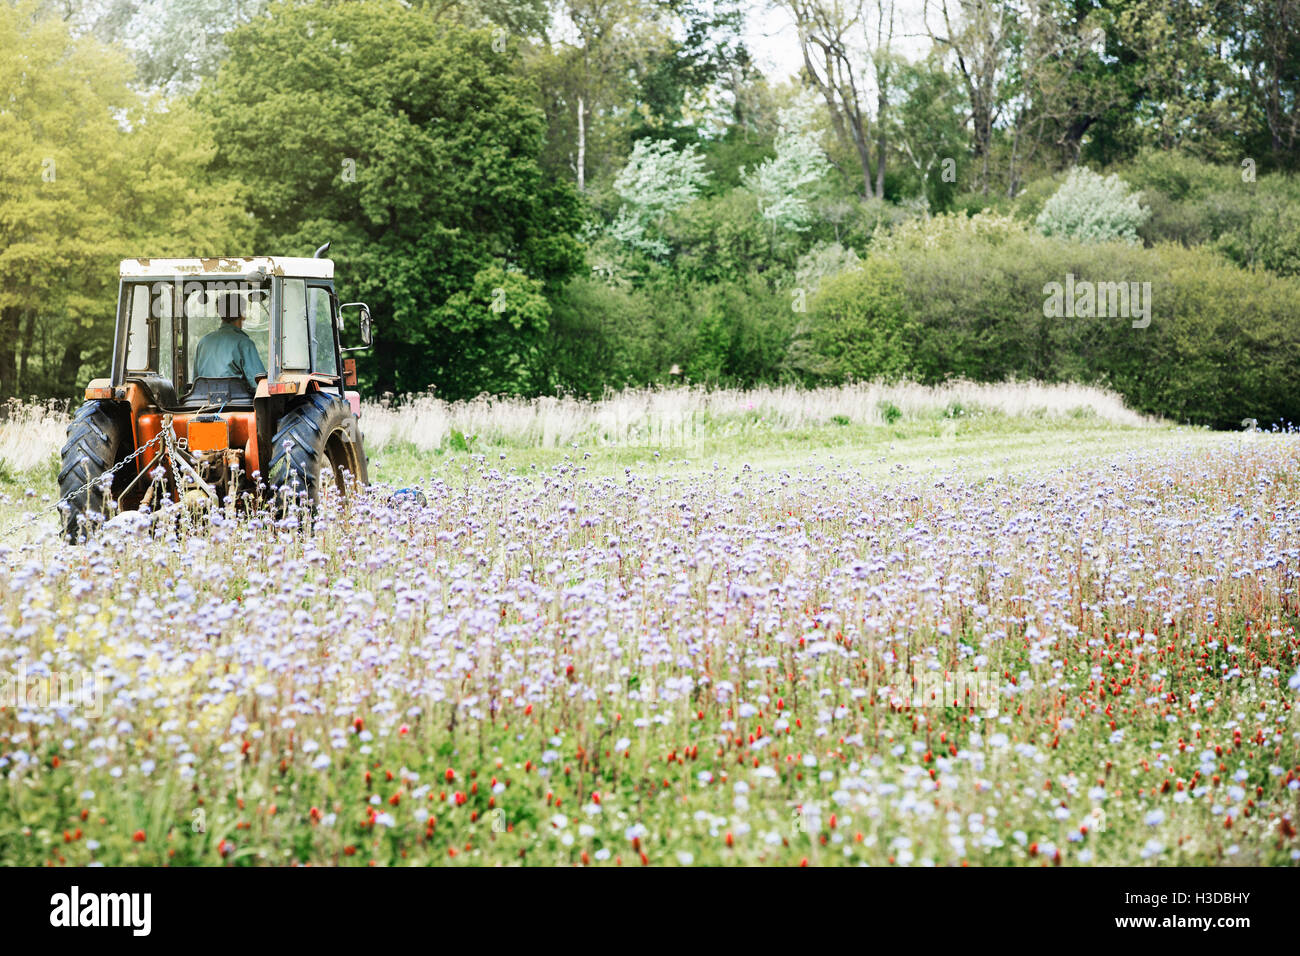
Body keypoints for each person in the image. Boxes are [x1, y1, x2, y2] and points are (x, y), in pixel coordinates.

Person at [193, 290, 268, 393]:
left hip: (202, 402)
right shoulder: (244, 343)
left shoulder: (203, 342)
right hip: (238, 403)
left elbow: (196, 382)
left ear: (220, 314)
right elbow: (259, 384)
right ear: (242, 314)